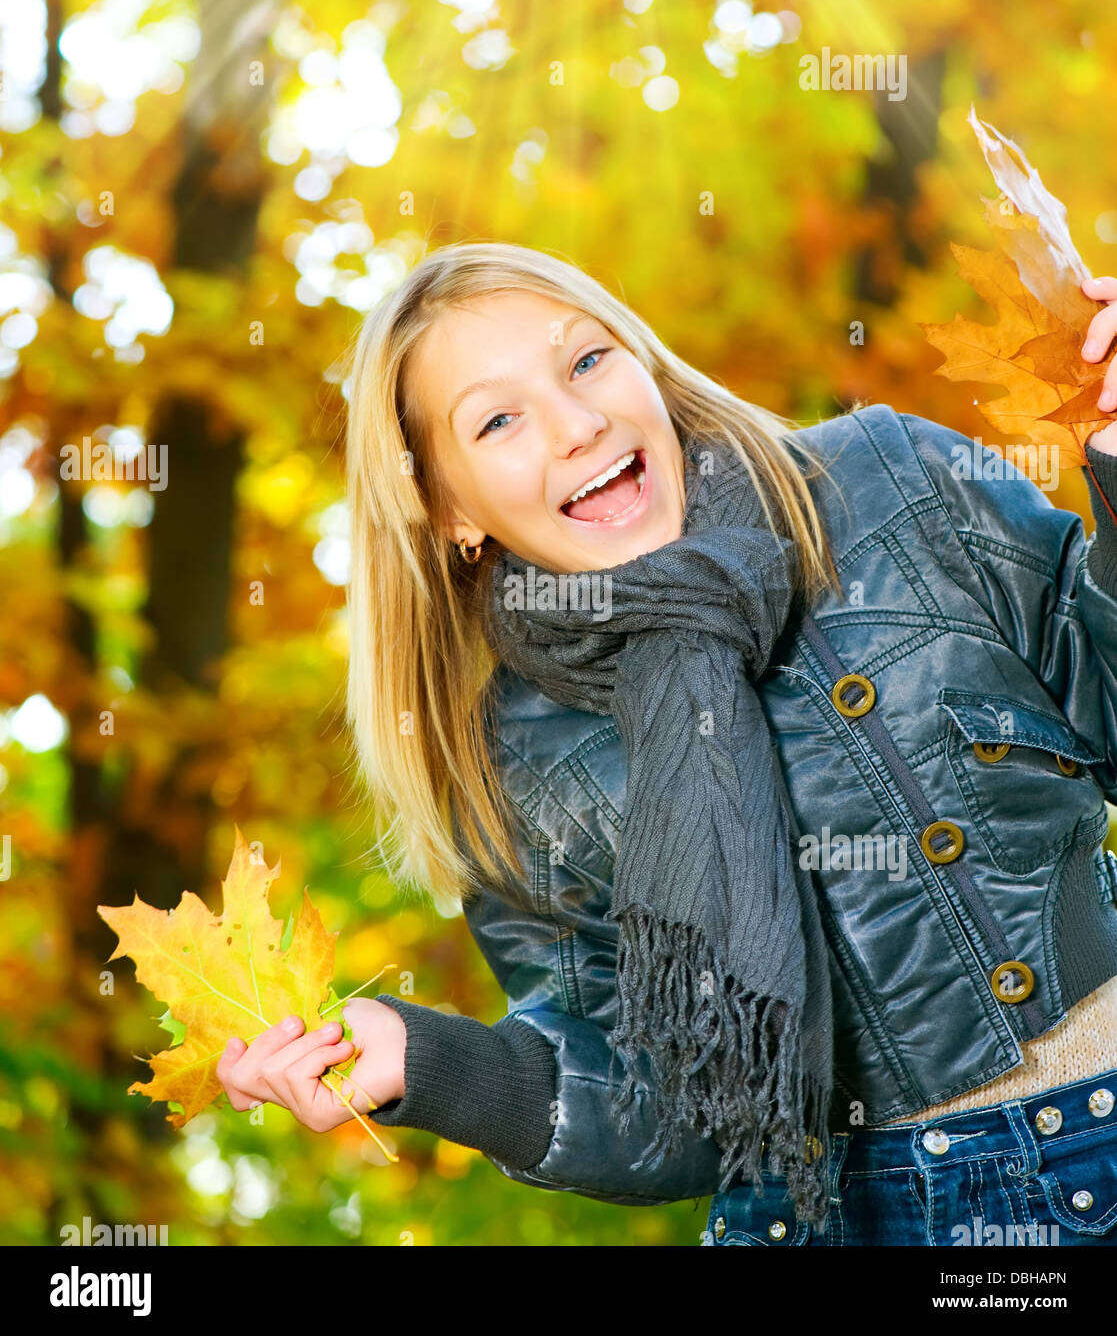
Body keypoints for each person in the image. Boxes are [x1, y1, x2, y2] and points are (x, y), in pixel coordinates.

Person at [217, 243, 1117, 1246]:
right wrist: (425, 1063)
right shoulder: (502, 765)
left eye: (587, 361)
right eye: (498, 419)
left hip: (1091, 1140)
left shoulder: (888, 483)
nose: (577, 422)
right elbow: (665, 1119)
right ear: (452, 510)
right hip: (810, 1223)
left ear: (646, 364)